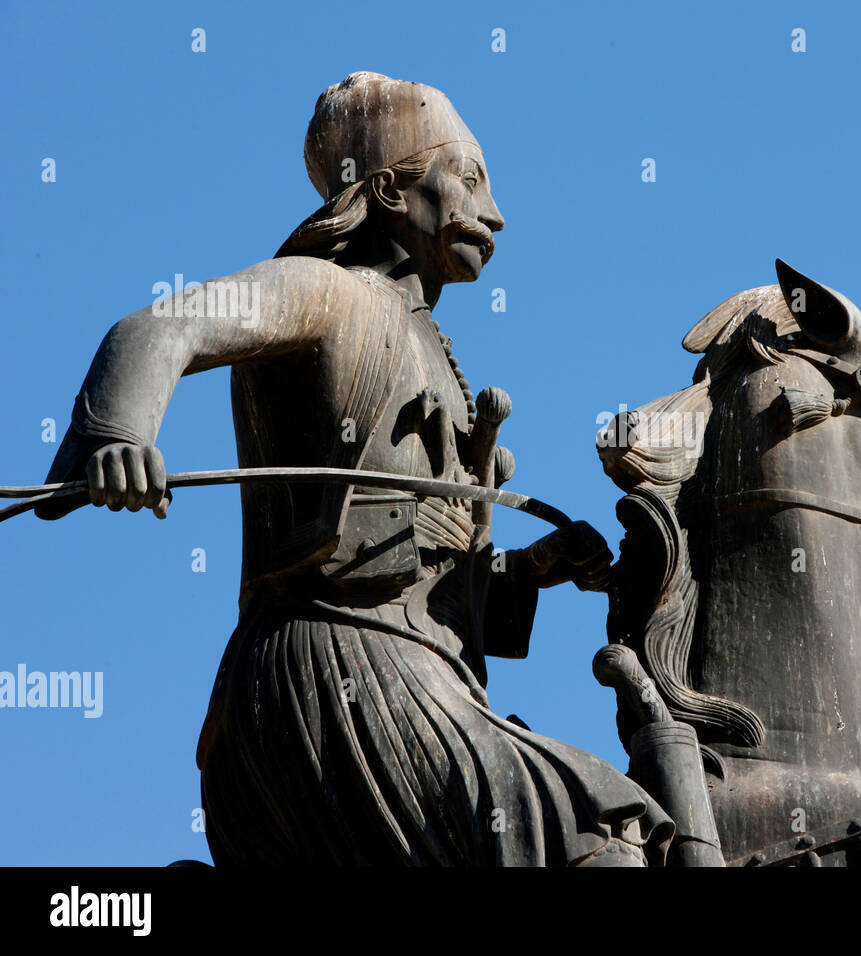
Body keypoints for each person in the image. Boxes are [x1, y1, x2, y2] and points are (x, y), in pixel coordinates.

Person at [37, 72, 672, 866]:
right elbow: (160, 326)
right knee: (588, 821)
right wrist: (119, 436)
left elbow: (420, 577)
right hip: (335, 670)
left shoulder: (438, 351)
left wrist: (522, 570)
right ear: (392, 193)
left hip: (414, 670)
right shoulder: (330, 294)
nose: (496, 212)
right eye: (469, 181)